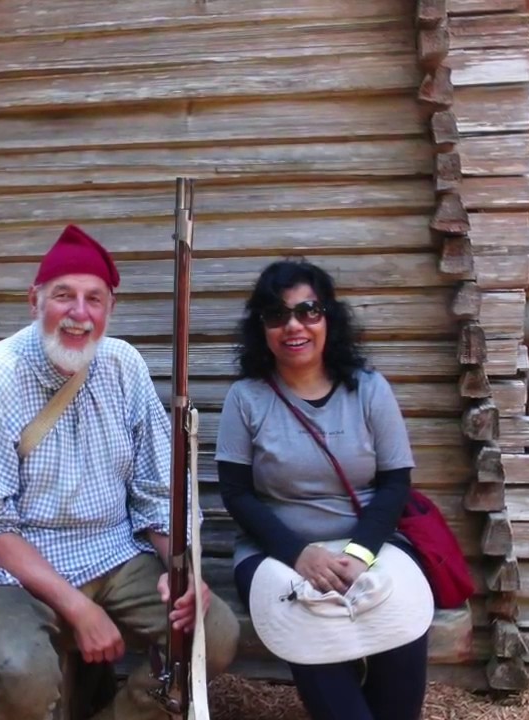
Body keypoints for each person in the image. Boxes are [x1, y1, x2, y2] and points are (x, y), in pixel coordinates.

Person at [0, 224, 240, 720]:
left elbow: (156, 490)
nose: (80, 314)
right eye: (64, 296)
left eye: (94, 299)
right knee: (23, 677)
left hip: (112, 550)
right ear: (33, 301)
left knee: (215, 635)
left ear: (109, 309)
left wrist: (179, 568)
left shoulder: (124, 366)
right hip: (18, 567)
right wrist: (80, 610)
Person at [214, 259, 434, 720]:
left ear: (328, 317)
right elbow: (236, 494)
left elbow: (395, 483)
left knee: (400, 616)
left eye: (308, 311)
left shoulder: (370, 390)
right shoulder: (246, 398)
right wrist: (299, 554)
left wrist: (361, 553)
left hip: (369, 541)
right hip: (276, 552)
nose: (294, 326)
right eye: (277, 315)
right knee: (308, 615)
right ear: (263, 329)